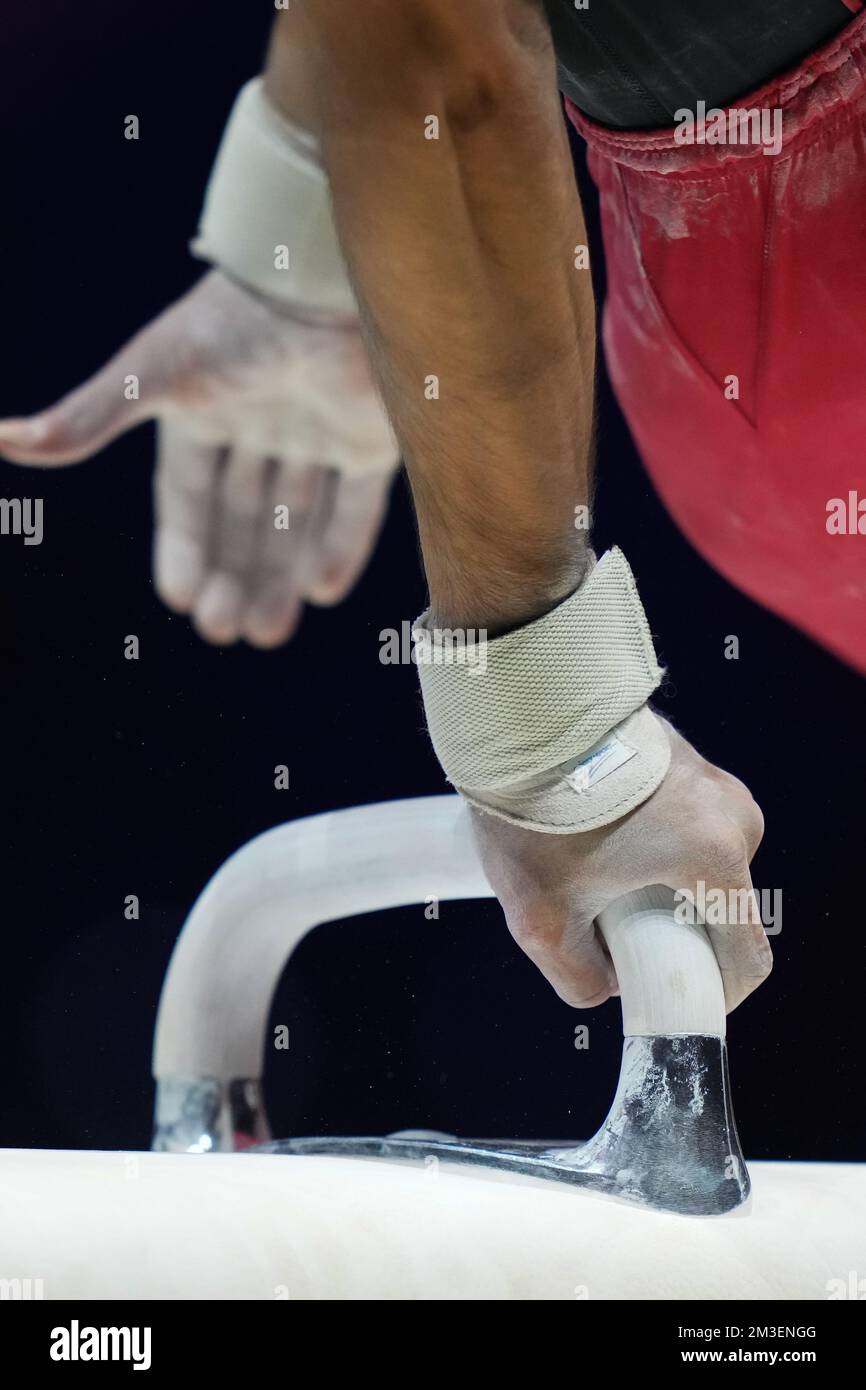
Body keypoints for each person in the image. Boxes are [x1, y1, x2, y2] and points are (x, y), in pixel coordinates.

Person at [22, 1, 865, 1010]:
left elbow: (427, 45)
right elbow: (426, 39)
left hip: (749, 354)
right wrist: (543, 714)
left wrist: (314, 181)